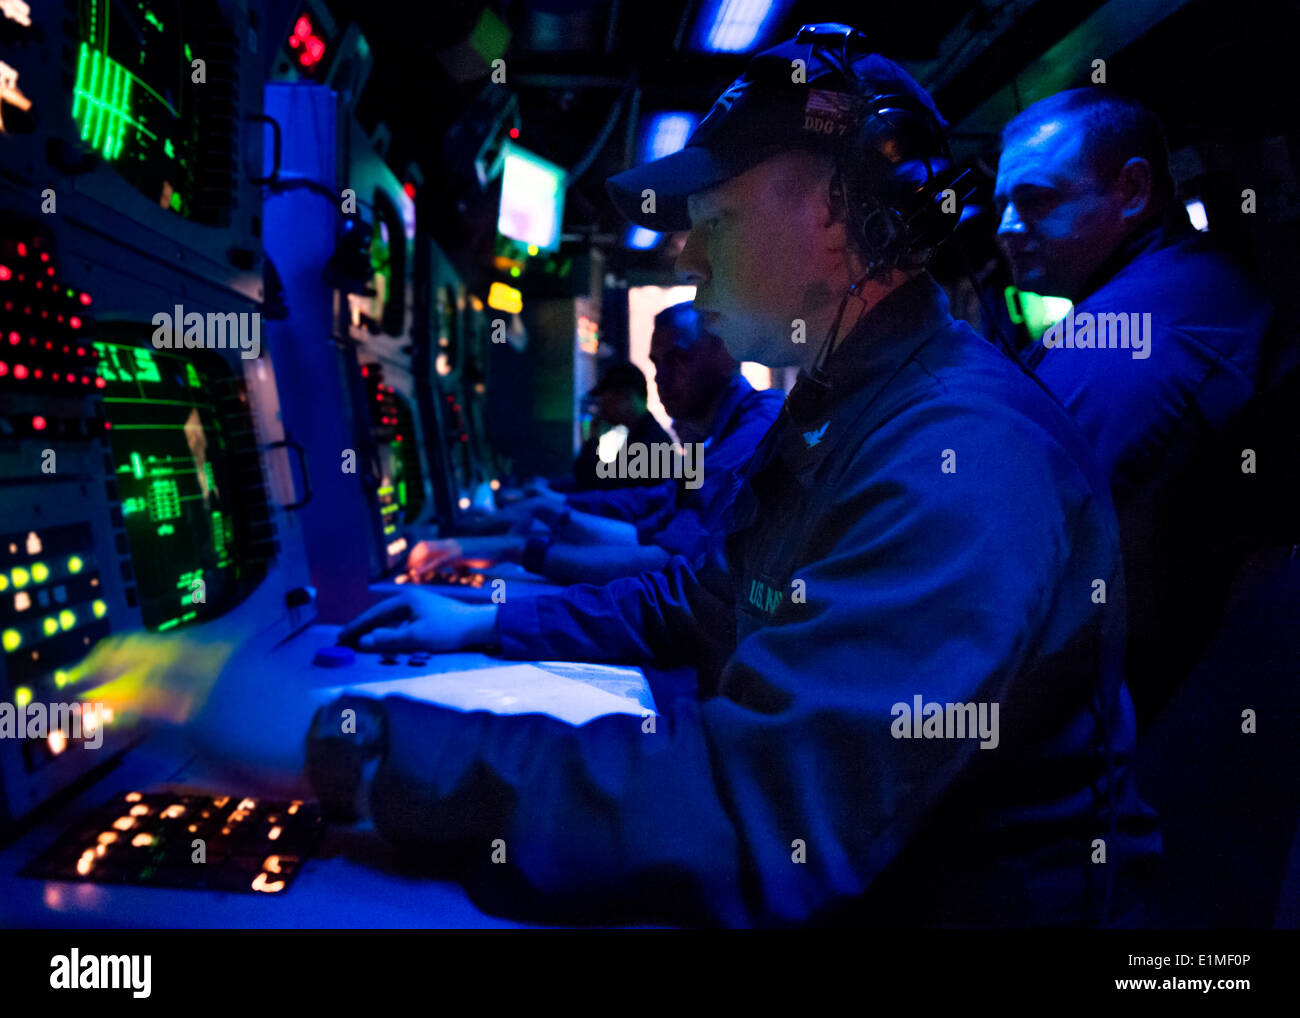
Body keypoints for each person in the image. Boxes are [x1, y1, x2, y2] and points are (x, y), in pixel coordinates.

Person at [325, 25, 1159, 927]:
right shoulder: (843, 407)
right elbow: (700, 600)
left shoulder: (962, 453)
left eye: (715, 220)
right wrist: (485, 618)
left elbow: (761, 810)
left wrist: (360, 746)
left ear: (841, 215)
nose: (686, 256)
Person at [993, 88, 1279, 730]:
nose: (1006, 229)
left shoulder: (1110, 353)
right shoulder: (1204, 282)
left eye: (1036, 200)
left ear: (1132, 189)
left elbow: (1022, 581)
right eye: (1001, 206)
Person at [409, 302, 783, 584]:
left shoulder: (752, 427)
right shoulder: (708, 443)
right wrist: (549, 509)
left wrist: (522, 546)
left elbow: (661, 557)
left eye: (679, 359)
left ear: (728, 353)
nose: (662, 378)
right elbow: (643, 516)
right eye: (656, 365)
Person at [567, 363, 673, 491]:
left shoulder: (650, 445)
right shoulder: (646, 436)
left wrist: (593, 438)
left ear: (627, 396)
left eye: (608, 399)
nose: (602, 408)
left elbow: (597, 486)